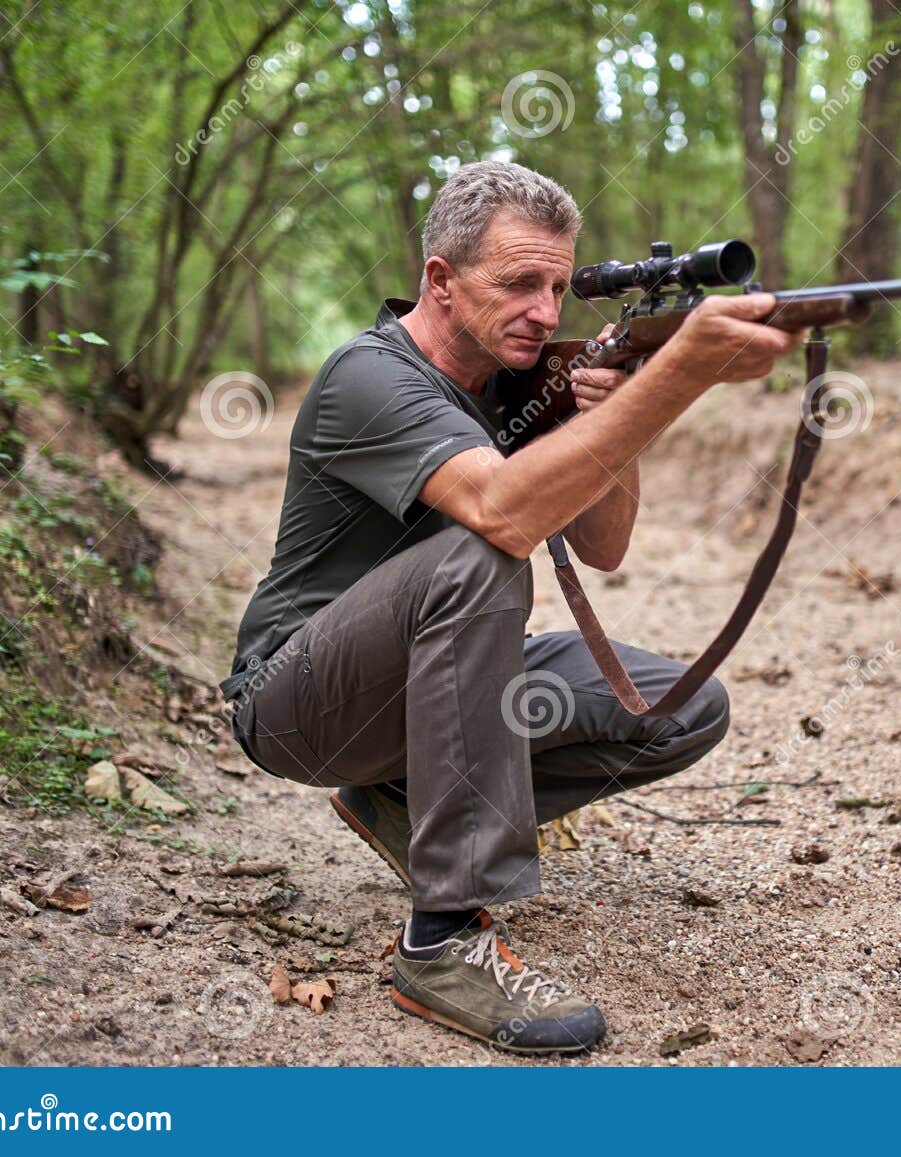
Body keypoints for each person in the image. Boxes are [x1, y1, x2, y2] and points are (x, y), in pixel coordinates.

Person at [219, 160, 802, 1055]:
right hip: (297, 704)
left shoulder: (517, 378)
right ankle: (443, 938)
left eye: (561, 288)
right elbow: (501, 512)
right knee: (485, 550)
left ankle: (401, 800)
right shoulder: (366, 377)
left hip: (417, 689)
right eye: (519, 282)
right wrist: (677, 376)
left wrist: (610, 404)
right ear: (440, 283)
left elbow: (604, 546)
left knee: (681, 705)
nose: (544, 309)